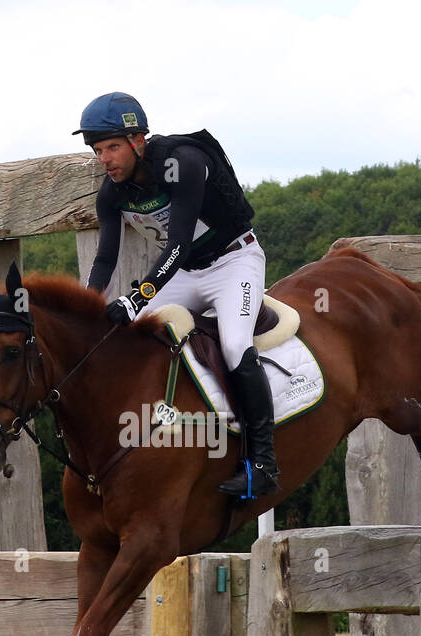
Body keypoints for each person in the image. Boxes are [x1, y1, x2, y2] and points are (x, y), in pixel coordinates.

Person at [74, 92, 280, 499]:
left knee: (237, 344)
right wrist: (87, 309)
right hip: (185, 274)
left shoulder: (182, 162)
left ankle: (263, 463)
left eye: (113, 146)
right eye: (98, 150)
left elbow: (178, 245)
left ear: (139, 140)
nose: (106, 159)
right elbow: (104, 260)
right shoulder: (111, 193)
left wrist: (136, 298)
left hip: (234, 262)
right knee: (126, 335)